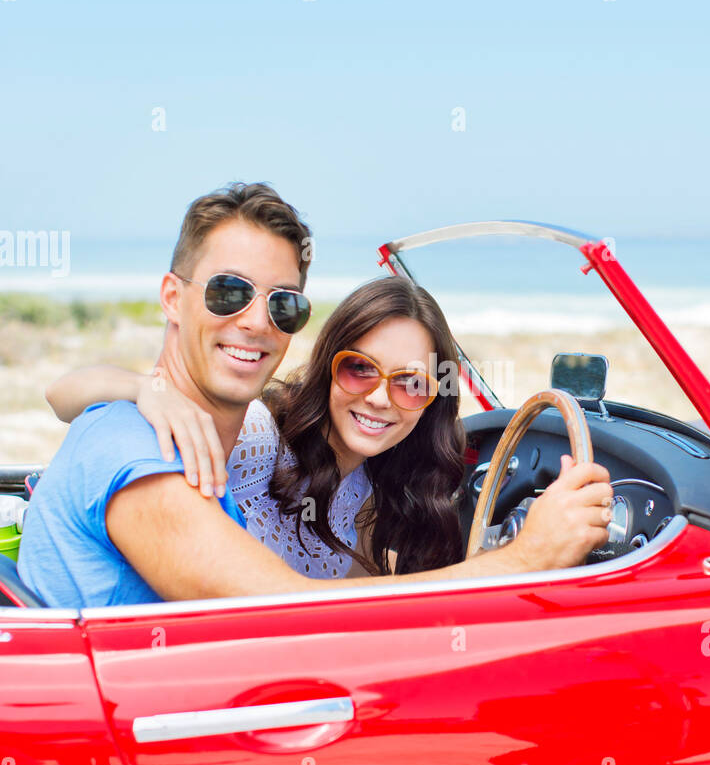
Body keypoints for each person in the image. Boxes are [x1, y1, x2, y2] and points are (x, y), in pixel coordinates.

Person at [19, 182, 613, 607]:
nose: (255, 323)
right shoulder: (137, 451)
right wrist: (525, 558)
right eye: (229, 292)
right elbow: (286, 611)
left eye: (282, 304)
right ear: (173, 298)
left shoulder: (190, 446)